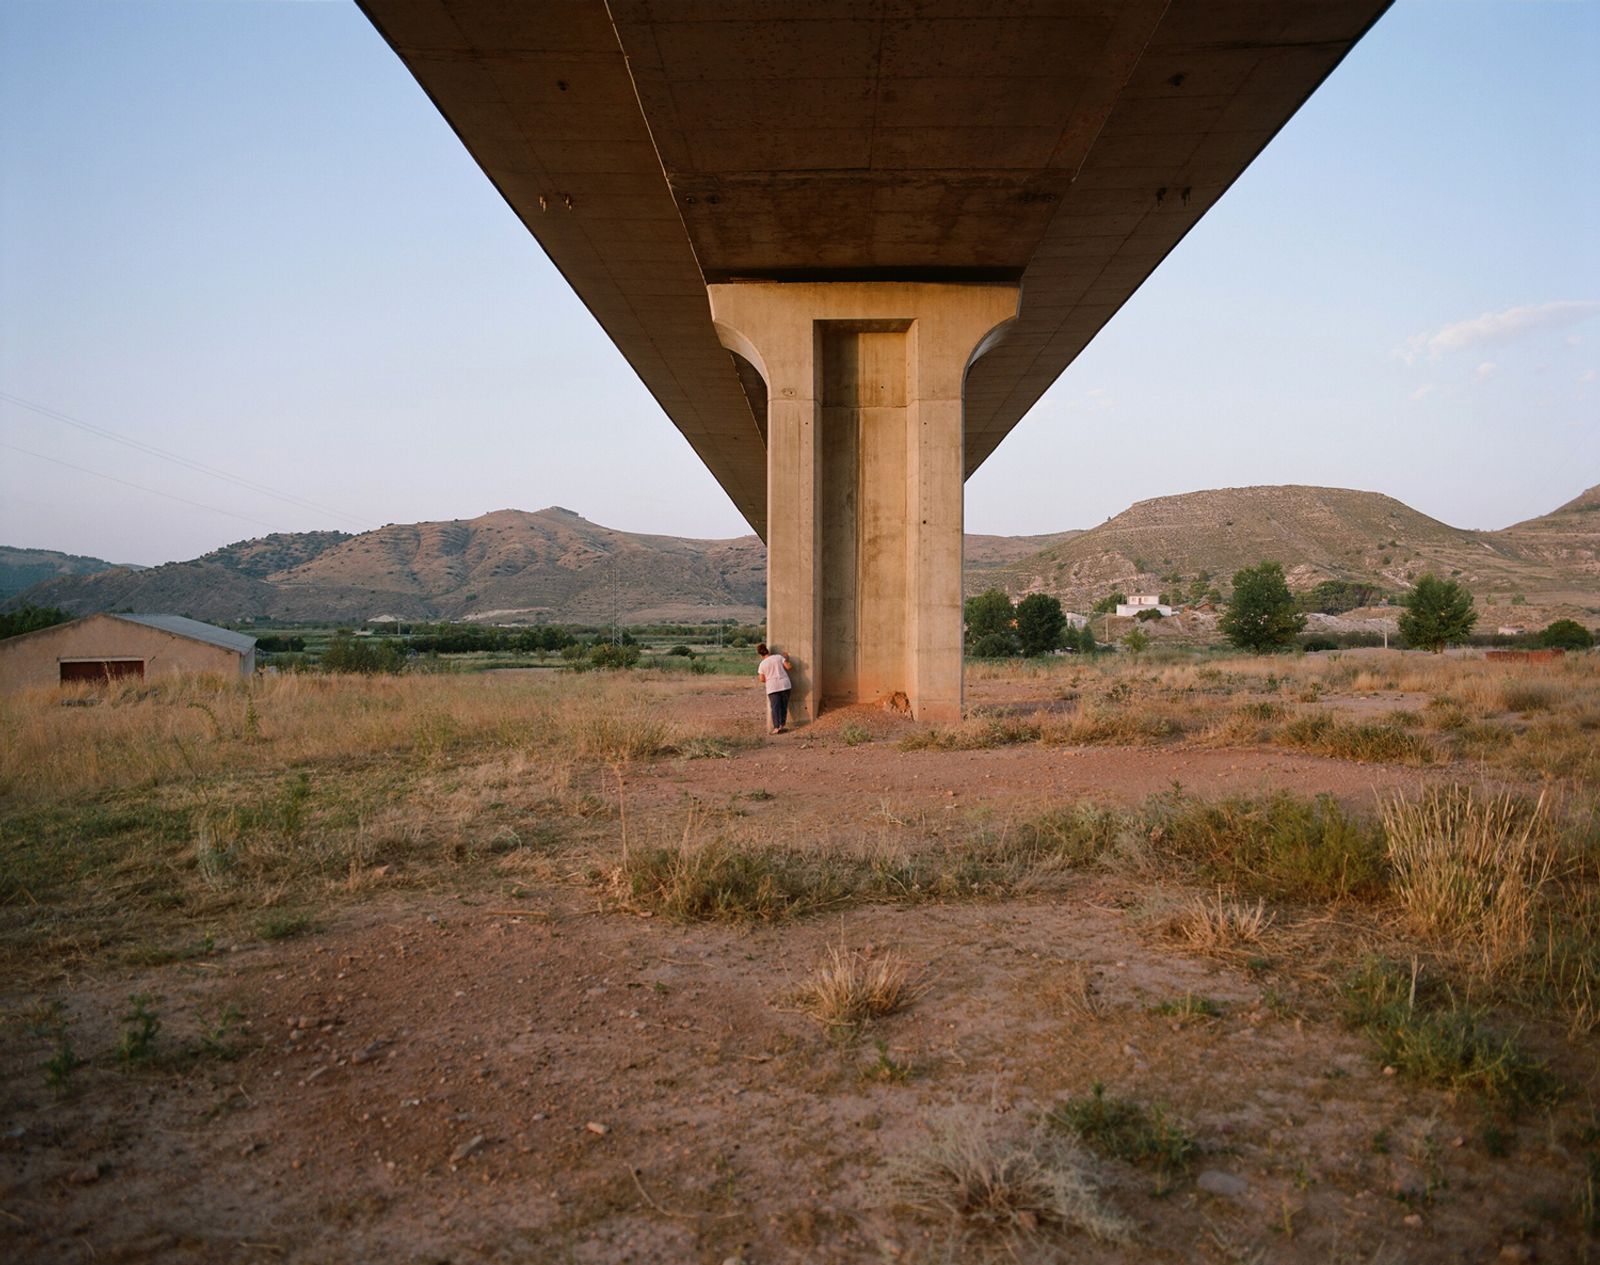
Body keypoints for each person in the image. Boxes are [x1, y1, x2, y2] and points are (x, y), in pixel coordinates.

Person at [755, 643, 792, 734]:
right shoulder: (778, 657)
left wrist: (770, 678)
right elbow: (789, 667)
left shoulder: (762, 664)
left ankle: (776, 727)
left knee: (775, 707)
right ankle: (782, 725)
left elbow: (762, 679)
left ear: (760, 655)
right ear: (768, 651)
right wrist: (786, 659)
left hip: (773, 687)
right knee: (783, 706)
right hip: (785, 685)